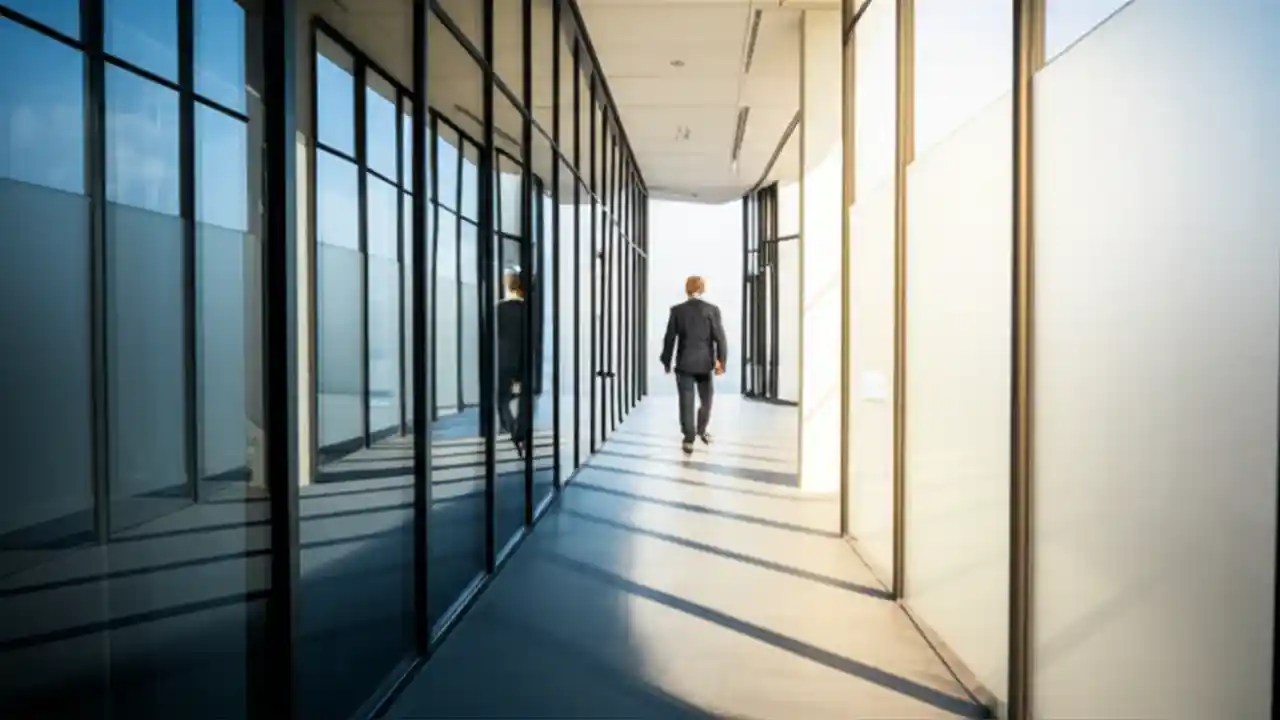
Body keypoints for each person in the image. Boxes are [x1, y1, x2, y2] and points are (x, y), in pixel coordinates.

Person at [660, 275, 728, 455]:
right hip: (705, 364)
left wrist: (666, 360)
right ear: (703, 289)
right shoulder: (712, 310)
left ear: (687, 289)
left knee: (686, 400)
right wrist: (721, 361)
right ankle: (702, 429)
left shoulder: (677, 311)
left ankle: (688, 438)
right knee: (707, 399)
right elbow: (719, 337)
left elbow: (670, 338)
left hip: (684, 363)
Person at [496, 268, 527, 456]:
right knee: (521, 396)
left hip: (505, 359)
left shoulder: (500, 308)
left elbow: (495, 334)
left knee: (502, 398)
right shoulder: (527, 310)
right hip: (522, 360)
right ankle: (516, 430)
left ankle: (511, 426)